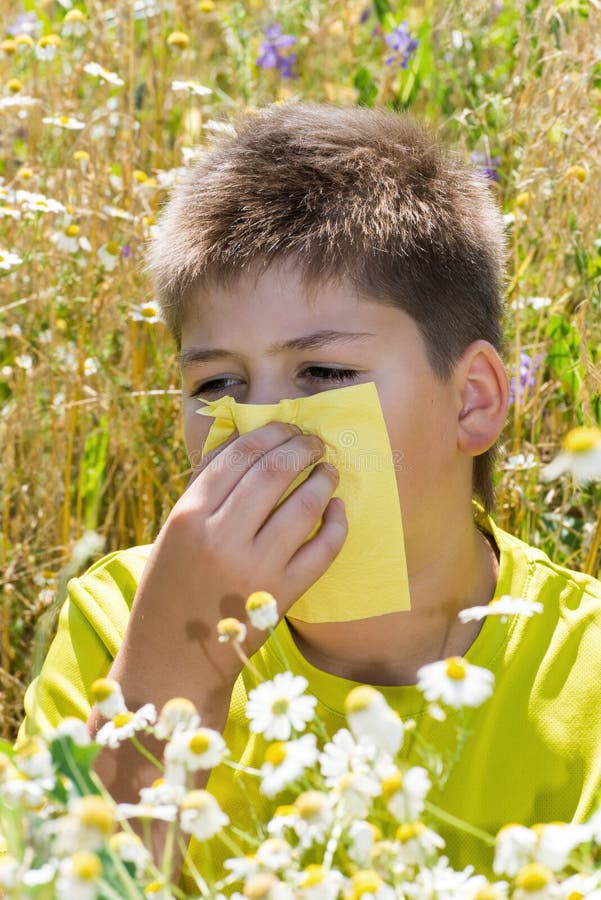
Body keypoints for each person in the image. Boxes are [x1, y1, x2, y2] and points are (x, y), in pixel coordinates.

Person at [18, 103, 601, 886]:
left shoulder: (582, 670)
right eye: (216, 383)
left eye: (324, 374)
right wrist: (176, 666)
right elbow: (52, 879)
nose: (259, 426)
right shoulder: (119, 623)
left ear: (471, 401)